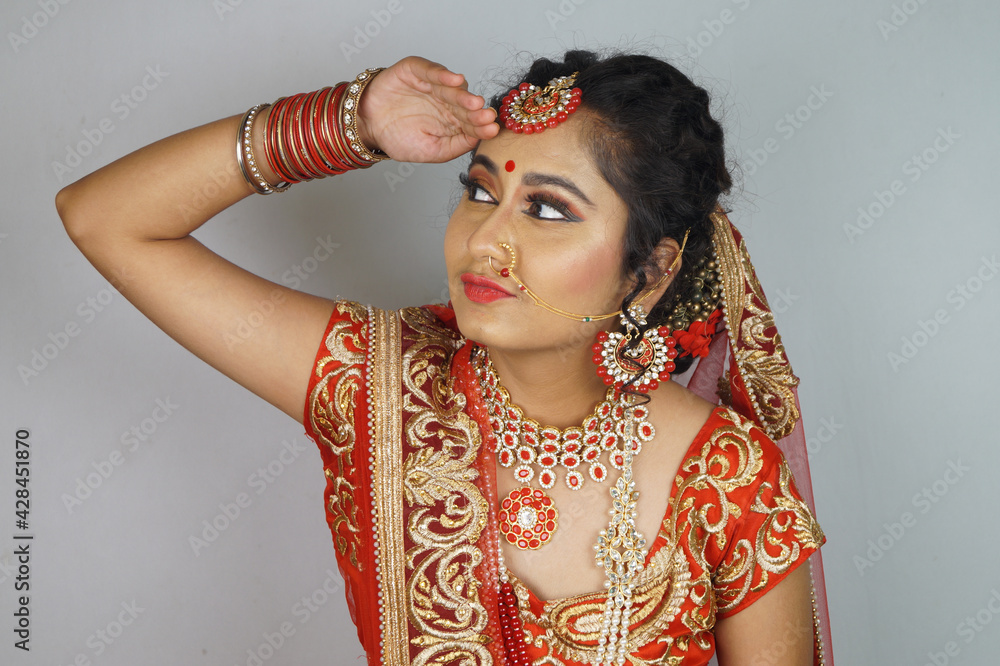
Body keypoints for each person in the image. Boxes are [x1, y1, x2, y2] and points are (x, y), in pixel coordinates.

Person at [56, 50, 830, 665]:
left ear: (652, 271)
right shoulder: (377, 383)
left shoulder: (726, 475)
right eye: (482, 191)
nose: (486, 240)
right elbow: (105, 219)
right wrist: (349, 120)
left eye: (549, 209)